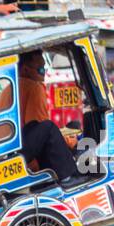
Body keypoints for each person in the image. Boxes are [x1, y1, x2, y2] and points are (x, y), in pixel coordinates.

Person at [9, 50, 85, 188]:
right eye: (40, 69)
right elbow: (40, 128)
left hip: (13, 147)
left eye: (44, 68)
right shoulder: (33, 87)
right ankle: (66, 177)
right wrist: (70, 142)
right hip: (22, 154)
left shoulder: (11, 86)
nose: (44, 73)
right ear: (25, 69)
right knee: (49, 127)